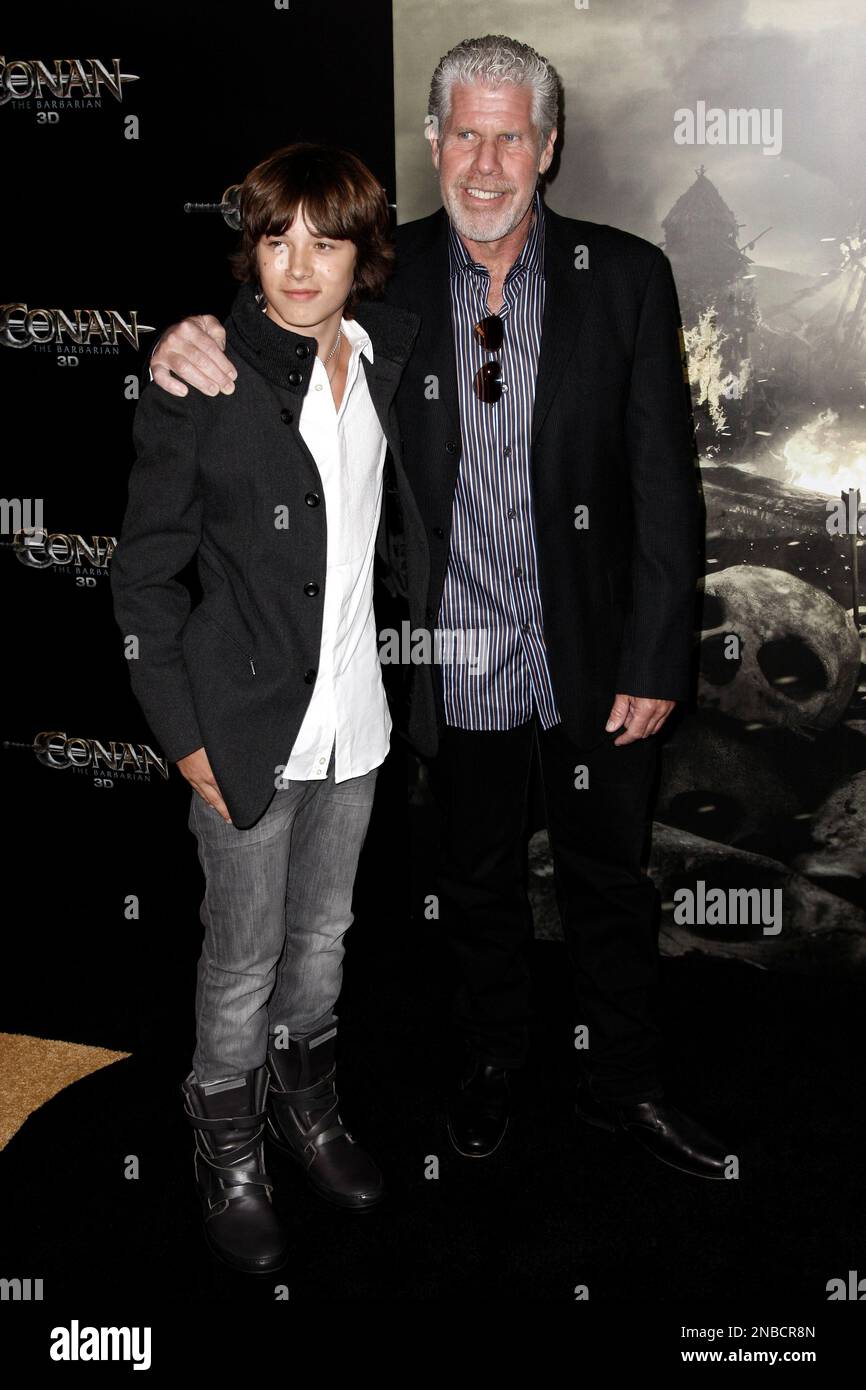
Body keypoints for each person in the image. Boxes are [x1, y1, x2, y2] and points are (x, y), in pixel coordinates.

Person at [145, 36, 731, 1180]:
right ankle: (491, 1066)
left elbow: (665, 480)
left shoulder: (626, 276)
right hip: (443, 655)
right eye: (463, 132)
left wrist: (657, 653)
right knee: (471, 888)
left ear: (547, 148)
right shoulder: (385, 273)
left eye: (510, 134)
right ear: (430, 142)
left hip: (592, 652)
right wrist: (185, 337)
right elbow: (269, 322)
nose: (484, 160)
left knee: (609, 882)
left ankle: (627, 1082)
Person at [110, 142, 431, 1273]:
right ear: (248, 248)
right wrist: (184, 739)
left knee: (324, 940)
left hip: (358, 724)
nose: (298, 266)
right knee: (239, 961)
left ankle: (309, 1109)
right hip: (240, 734)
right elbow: (142, 577)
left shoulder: (382, 350)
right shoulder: (203, 377)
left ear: (362, 257)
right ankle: (227, 1147)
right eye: (275, 238)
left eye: (325, 241)